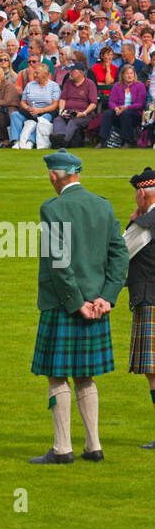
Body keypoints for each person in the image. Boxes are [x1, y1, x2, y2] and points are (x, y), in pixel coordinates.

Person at [29, 150, 128, 464]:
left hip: (63, 305)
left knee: (58, 376)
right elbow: (120, 256)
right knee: (85, 376)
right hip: (98, 304)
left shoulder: (52, 208)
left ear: (55, 175)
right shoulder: (103, 205)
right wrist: (106, 298)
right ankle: (94, 447)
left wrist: (76, 304)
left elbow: (59, 263)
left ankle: (62, 450)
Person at [122, 168, 155, 448]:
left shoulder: (145, 224)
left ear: (141, 193)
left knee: (154, 372)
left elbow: (121, 255)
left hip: (151, 299)